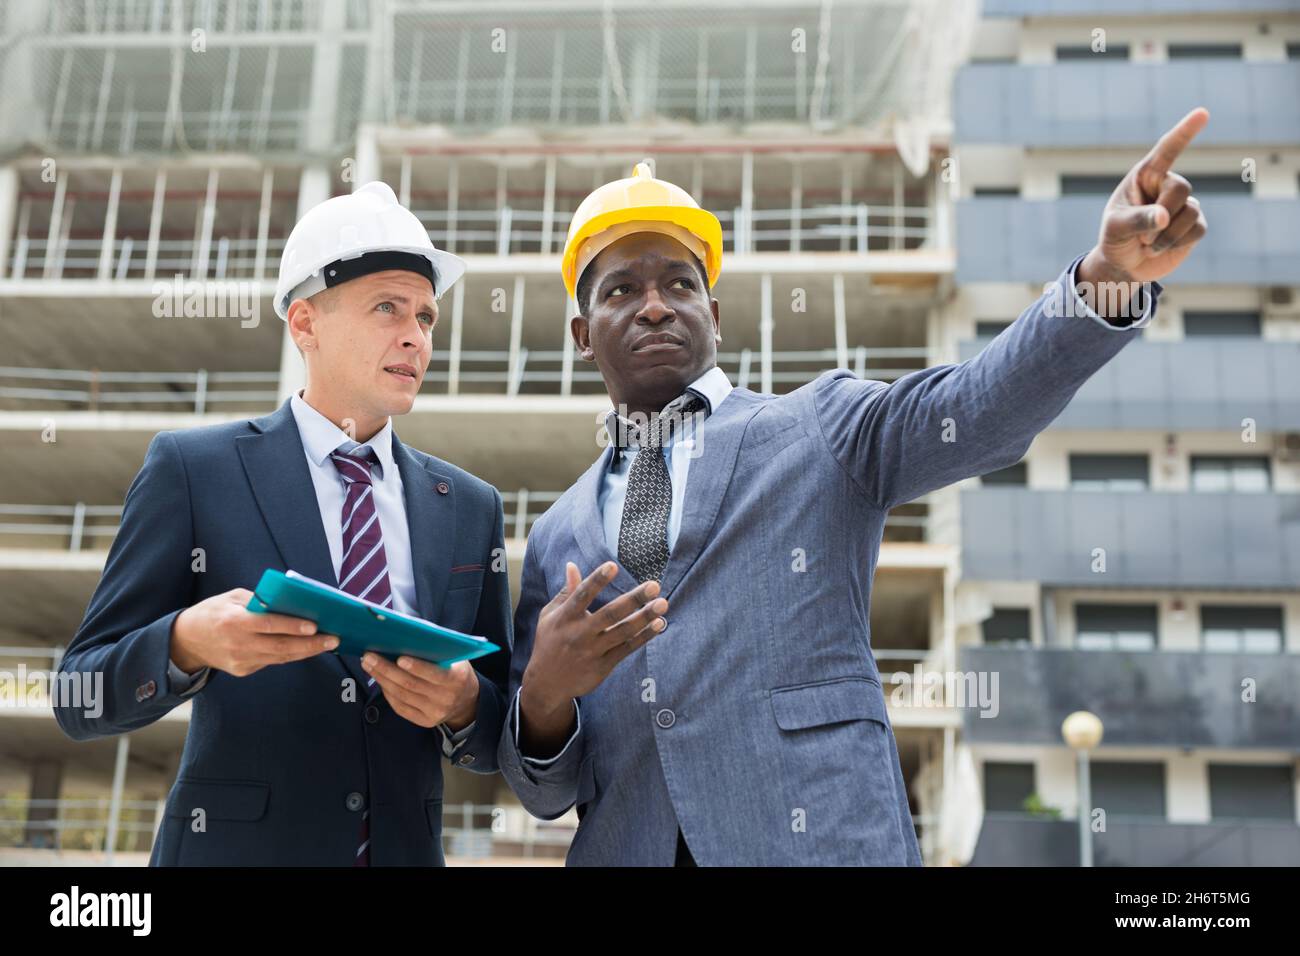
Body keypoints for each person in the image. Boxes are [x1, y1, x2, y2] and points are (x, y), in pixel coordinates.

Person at [499, 110, 1211, 865]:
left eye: (680, 282)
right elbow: (544, 792)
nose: (653, 304)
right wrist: (544, 693)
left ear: (713, 314)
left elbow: (976, 410)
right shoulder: (556, 535)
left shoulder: (821, 428)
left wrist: (1104, 280)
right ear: (582, 334)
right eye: (620, 290)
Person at [55, 181, 512, 866]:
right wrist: (186, 643)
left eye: (425, 316)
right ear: (305, 324)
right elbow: (77, 695)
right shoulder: (193, 469)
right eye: (387, 308)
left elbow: (499, 726)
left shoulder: (471, 506)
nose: (414, 336)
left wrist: (464, 703)